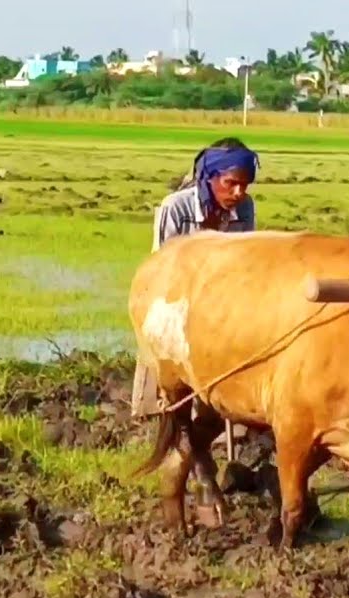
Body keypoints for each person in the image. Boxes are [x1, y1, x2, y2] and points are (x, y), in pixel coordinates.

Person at [130, 138, 261, 527]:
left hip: (219, 313)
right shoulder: (175, 209)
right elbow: (162, 267)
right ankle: (202, 476)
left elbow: (244, 266)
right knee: (177, 404)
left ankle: (208, 467)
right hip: (174, 310)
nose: (238, 194)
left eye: (244, 185)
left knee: (218, 400)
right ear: (209, 178)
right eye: (230, 184)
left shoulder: (245, 209)